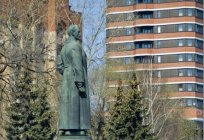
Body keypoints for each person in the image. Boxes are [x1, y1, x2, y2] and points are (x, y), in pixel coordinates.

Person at [57, 25, 91, 136]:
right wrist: (80, 82)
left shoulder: (63, 48)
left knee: (67, 104)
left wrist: (67, 73)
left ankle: (67, 129)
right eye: (78, 31)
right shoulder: (75, 46)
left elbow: (59, 66)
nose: (80, 33)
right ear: (72, 33)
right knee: (77, 103)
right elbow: (77, 64)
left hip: (67, 77)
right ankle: (78, 129)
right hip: (76, 76)